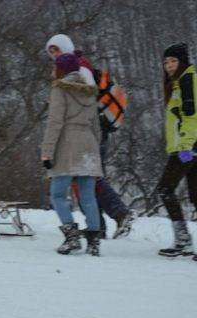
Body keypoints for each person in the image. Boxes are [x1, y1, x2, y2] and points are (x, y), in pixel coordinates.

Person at [45, 34, 135, 238]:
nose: (54, 55)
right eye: (51, 52)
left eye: (57, 50)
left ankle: (118, 215)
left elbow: (84, 103)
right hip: (89, 131)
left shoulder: (78, 69)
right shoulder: (77, 67)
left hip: (89, 131)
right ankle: (98, 227)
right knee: (86, 181)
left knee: (89, 180)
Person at [41, 54, 104, 256]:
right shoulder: (90, 91)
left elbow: (55, 122)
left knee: (58, 194)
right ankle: (94, 242)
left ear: (61, 69)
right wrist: (96, 150)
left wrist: (47, 152)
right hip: (89, 144)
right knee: (88, 197)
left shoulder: (60, 89)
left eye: (55, 67)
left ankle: (72, 237)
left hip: (67, 144)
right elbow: (96, 125)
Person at [156, 43, 197, 259]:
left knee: (165, 189)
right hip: (189, 147)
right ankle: (184, 242)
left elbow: (191, 116)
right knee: (195, 195)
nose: (169, 66)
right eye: (166, 62)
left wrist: (185, 146)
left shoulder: (188, 80)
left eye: (173, 61)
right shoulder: (179, 83)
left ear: (182, 62)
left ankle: (183, 241)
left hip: (188, 149)